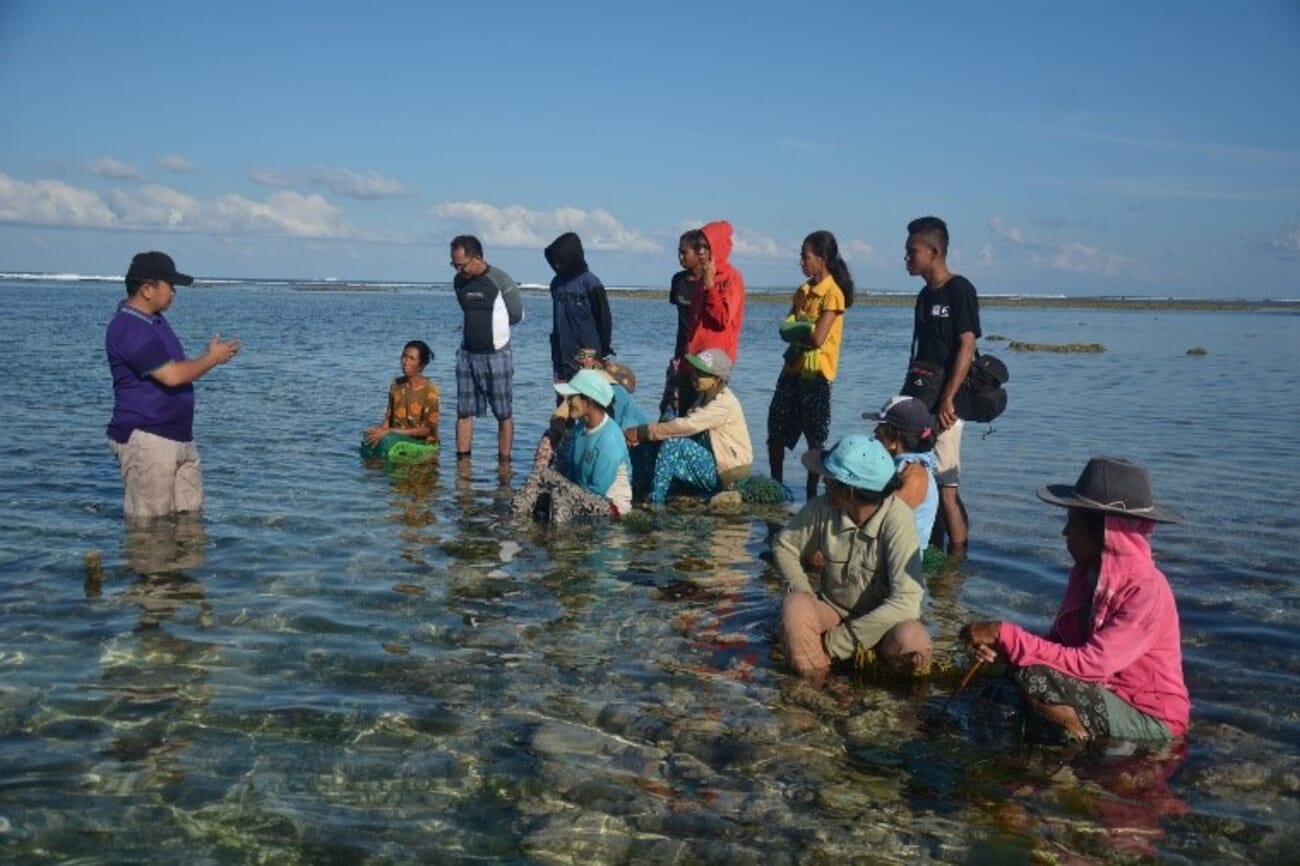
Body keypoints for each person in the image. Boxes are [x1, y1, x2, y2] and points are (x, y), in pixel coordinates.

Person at [961, 457, 1190, 743]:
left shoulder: (1146, 592)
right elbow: (1060, 644)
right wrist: (1004, 648)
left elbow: (1094, 665)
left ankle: (1087, 750)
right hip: (1104, 692)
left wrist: (1006, 634)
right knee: (1013, 676)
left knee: (1034, 677)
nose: (1065, 533)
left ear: (1105, 535)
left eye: (1073, 524)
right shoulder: (1087, 576)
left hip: (1150, 715)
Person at [774, 435, 932, 677]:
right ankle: (814, 683)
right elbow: (785, 547)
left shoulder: (898, 520)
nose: (824, 482)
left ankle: (893, 705)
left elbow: (906, 604)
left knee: (913, 641)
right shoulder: (822, 508)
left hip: (883, 626)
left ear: (847, 491)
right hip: (833, 613)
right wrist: (804, 591)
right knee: (795, 605)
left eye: (829, 478)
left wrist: (836, 644)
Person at [105, 251, 240, 520]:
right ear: (147, 289)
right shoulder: (129, 328)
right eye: (170, 285)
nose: (174, 292)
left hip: (178, 437)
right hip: (149, 438)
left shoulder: (153, 321)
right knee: (150, 529)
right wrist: (212, 359)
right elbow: (172, 376)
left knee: (190, 524)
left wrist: (208, 358)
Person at [904, 215, 981, 558]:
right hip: (922, 396)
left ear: (934, 252)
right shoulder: (923, 296)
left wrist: (949, 399)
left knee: (947, 485)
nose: (907, 257)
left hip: (949, 402)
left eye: (912, 251)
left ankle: (958, 559)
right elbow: (921, 354)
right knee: (917, 474)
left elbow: (967, 345)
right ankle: (930, 548)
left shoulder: (959, 289)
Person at [767, 230, 854, 501]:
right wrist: (800, 328)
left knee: (815, 439)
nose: (802, 263)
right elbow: (785, 329)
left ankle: (811, 494)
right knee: (775, 431)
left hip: (816, 375)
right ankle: (777, 487)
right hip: (792, 369)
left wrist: (799, 329)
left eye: (806, 257)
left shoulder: (833, 294)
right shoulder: (802, 291)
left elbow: (817, 338)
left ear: (822, 259)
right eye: (801, 257)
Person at [626, 348, 752, 504]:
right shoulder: (704, 398)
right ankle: (632, 486)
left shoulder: (724, 403)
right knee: (651, 446)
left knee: (672, 444)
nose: (694, 376)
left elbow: (686, 426)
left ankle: (656, 502)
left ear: (717, 379)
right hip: (711, 465)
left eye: (700, 373)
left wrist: (643, 431)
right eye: (694, 371)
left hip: (727, 474)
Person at [512, 370, 633, 523]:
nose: (567, 402)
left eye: (571, 398)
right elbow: (571, 475)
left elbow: (598, 491)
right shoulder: (581, 429)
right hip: (584, 494)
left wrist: (563, 490)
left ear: (588, 400)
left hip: (611, 509)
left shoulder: (609, 440)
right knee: (540, 475)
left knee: (560, 496)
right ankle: (517, 520)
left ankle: (559, 540)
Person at [451, 235, 524, 464]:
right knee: (464, 412)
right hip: (467, 354)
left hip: (497, 354)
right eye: (453, 264)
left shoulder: (501, 280)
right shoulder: (459, 282)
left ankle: (504, 466)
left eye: (461, 264)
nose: (457, 269)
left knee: (503, 413)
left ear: (478, 258)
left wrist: (495, 331)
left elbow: (516, 315)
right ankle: (463, 466)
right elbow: (466, 309)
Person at [862, 395, 939, 546]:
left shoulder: (915, 475)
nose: (875, 431)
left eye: (881, 427)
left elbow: (884, 518)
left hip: (898, 558)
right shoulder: (900, 464)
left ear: (894, 437)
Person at [544, 232, 612, 385]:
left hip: (587, 350)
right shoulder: (556, 283)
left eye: (560, 261)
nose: (557, 265)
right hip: (561, 352)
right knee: (564, 400)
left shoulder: (591, 283)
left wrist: (605, 350)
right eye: (554, 262)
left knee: (588, 398)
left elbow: (604, 318)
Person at [362, 340, 439, 455]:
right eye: (404, 356)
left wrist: (388, 432)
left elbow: (426, 430)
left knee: (387, 442)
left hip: (422, 444)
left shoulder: (430, 390)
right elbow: (388, 419)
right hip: (396, 436)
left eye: (412, 359)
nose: (405, 362)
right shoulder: (395, 385)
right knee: (369, 440)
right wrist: (378, 431)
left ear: (421, 365)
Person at [684, 221, 746, 364]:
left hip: (714, 362)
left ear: (717, 248)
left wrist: (710, 286)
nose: (700, 251)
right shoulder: (704, 277)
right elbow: (694, 324)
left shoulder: (732, 278)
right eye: (698, 246)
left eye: (705, 247)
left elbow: (722, 319)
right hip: (694, 357)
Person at [660, 229, 705, 416]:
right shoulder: (678, 281)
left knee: (699, 411)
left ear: (699, 252)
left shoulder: (708, 283)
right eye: (678, 252)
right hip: (680, 354)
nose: (680, 257)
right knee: (670, 406)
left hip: (703, 357)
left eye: (684, 252)